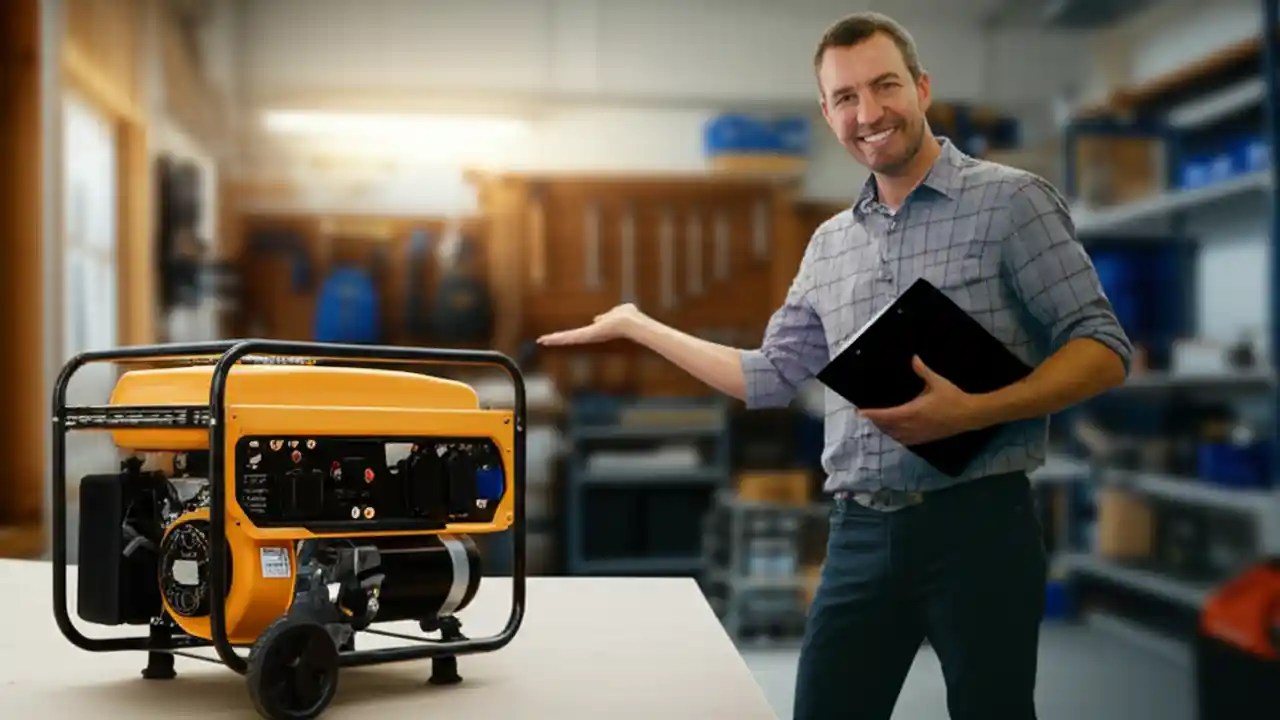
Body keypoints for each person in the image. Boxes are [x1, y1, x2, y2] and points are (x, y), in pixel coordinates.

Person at [538, 11, 1132, 720]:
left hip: (980, 527)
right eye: (846, 97)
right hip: (858, 534)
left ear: (921, 87)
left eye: (885, 87)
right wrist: (639, 325)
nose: (869, 112)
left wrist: (975, 412)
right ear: (826, 113)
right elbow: (766, 377)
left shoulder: (1011, 202)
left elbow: (1102, 346)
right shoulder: (828, 245)